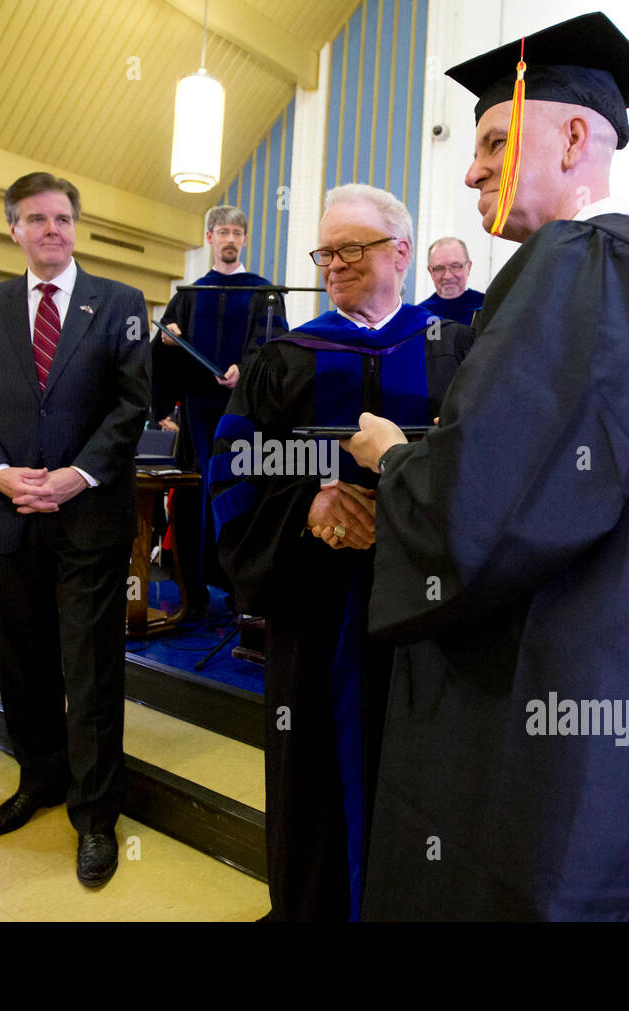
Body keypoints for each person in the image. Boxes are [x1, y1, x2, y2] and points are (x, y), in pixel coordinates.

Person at [342, 12, 629, 920]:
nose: (472, 168)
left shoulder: (583, 263)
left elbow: (486, 505)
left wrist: (395, 459)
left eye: (493, 140)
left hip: (547, 724)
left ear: (571, 137)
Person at [210, 183, 472, 920]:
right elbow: (233, 466)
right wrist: (310, 503)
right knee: (311, 774)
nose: (333, 264)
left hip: (428, 614)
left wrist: (403, 510)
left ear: (400, 252)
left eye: (351, 248)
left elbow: (493, 468)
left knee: (424, 771)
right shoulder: (285, 355)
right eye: (326, 251)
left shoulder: (458, 348)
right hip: (314, 605)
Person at [0, 172, 150, 887]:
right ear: (12, 229)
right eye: (35, 218)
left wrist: (78, 474)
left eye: (62, 217)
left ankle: (96, 815)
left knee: (90, 669)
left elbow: (133, 405)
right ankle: (38, 779)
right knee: (23, 663)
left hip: (87, 516)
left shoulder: (122, 303)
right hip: (7, 516)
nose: (51, 229)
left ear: (76, 225)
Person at [153, 206, 287, 614]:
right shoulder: (189, 295)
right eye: (221, 232)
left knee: (241, 496)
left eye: (237, 233)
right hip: (197, 417)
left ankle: (241, 594)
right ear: (209, 237)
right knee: (194, 501)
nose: (229, 239)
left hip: (244, 418)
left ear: (245, 239)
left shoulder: (265, 292)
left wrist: (244, 371)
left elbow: (276, 350)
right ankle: (191, 593)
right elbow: (161, 351)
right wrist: (167, 344)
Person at [417, 237, 484, 326]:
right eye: (439, 268)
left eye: (455, 266)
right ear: (430, 271)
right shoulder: (420, 315)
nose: (447, 276)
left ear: (468, 267)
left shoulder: (487, 308)